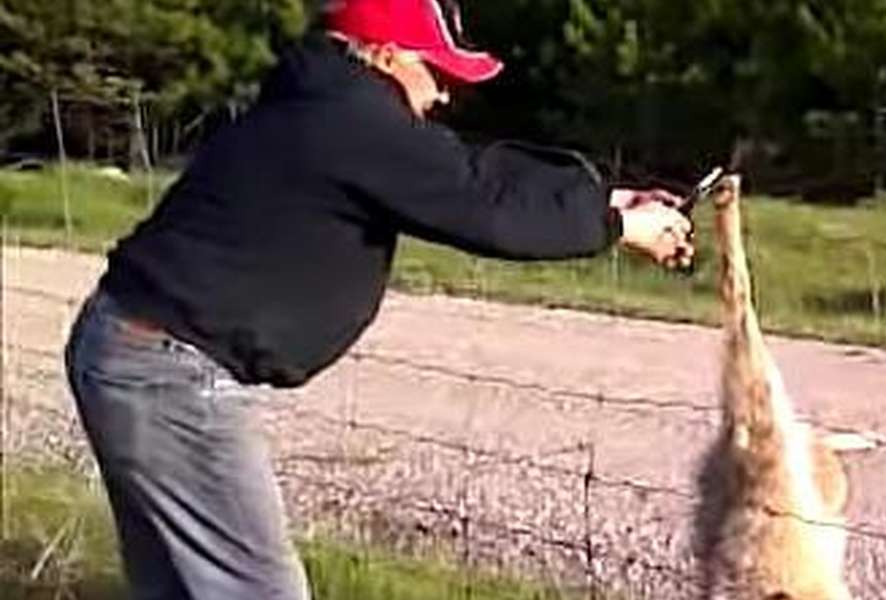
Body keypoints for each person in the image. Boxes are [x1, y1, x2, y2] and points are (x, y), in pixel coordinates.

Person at [62, 0, 696, 598]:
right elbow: (483, 209)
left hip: (137, 351)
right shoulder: (348, 118)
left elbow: (473, 172)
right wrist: (618, 228)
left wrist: (610, 200)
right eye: (436, 71)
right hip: (168, 372)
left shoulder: (327, 105)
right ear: (385, 53)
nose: (445, 93)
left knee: (182, 586)